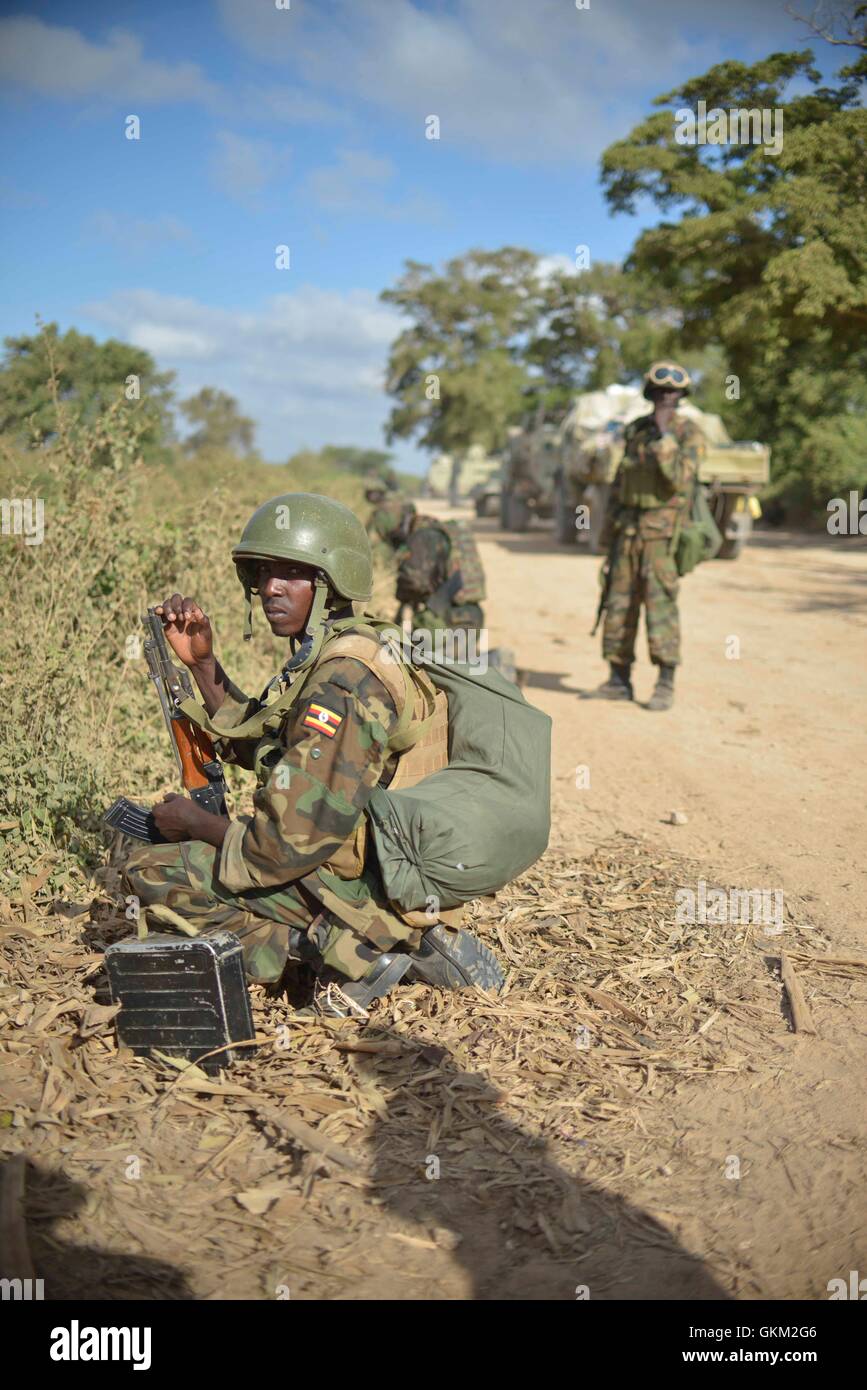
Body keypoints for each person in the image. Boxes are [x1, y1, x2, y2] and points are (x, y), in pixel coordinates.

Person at [120, 493, 503, 1019]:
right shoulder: (344, 649)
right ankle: (395, 939)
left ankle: (352, 949)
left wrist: (195, 824)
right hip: (379, 863)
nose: (271, 587)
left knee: (152, 872)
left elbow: (280, 848)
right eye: (265, 572)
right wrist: (204, 667)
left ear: (330, 583)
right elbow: (272, 746)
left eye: (293, 574)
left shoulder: (342, 684)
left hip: (357, 880)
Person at [595, 362, 706, 712]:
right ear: (650, 395)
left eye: (672, 393)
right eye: (660, 393)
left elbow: (678, 480)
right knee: (619, 605)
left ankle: (665, 682)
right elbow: (619, 485)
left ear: (681, 396)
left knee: (660, 608)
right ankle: (618, 679)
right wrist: (606, 534)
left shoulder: (689, 434)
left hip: (662, 537)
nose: (666, 398)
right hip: (627, 533)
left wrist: (665, 437)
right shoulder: (635, 431)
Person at [371, 501, 486, 637]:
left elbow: (414, 582)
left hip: (446, 622)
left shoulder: (422, 537)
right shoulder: (440, 530)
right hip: (471, 616)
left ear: (401, 526)